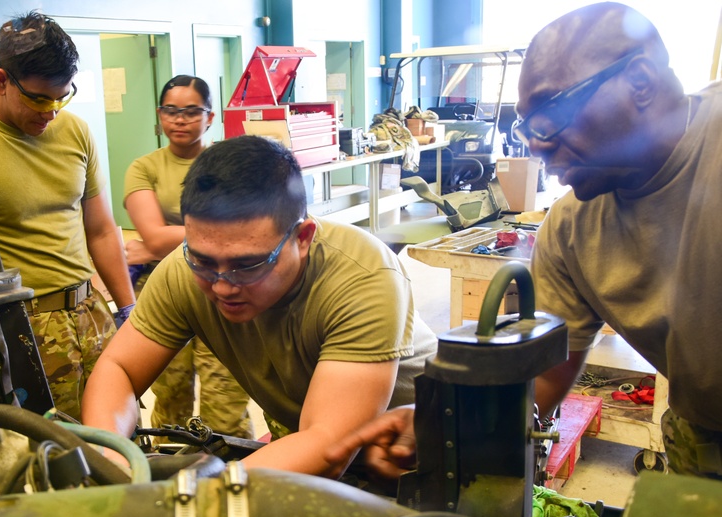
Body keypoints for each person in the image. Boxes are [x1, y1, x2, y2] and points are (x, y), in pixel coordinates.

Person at [348, 2, 722, 482]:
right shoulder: (572, 229)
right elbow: (546, 368)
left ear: (640, 82)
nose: (536, 145)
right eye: (527, 128)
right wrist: (450, 419)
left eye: (548, 116)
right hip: (703, 434)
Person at [81, 134, 437, 478]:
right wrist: (110, 456)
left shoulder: (363, 277)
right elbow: (120, 369)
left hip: (412, 463)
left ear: (302, 238)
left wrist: (189, 495)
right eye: (203, 261)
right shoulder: (183, 270)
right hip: (298, 449)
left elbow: (327, 444)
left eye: (247, 265)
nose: (222, 285)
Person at [0, 11, 135, 420]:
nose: (51, 112)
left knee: (120, 439)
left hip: (91, 313)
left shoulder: (77, 133)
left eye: (61, 96)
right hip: (21, 330)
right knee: (53, 453)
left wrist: (127, 310)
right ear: (1, 81)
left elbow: (101, 231)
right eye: (38, 98)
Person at [123, 75, 253, 439]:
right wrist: (159, 241)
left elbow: (246, 231)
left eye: (192, 111)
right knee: (170, 398)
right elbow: (152, 235)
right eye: (171, 110)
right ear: (160, 115)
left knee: (225, 401)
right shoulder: (144, 168)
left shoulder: (230, 164)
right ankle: (170, 484)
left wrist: (160, 243)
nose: (180, 119)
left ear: (210, 117)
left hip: (226, 287)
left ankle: (237, 479)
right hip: (165, 288)